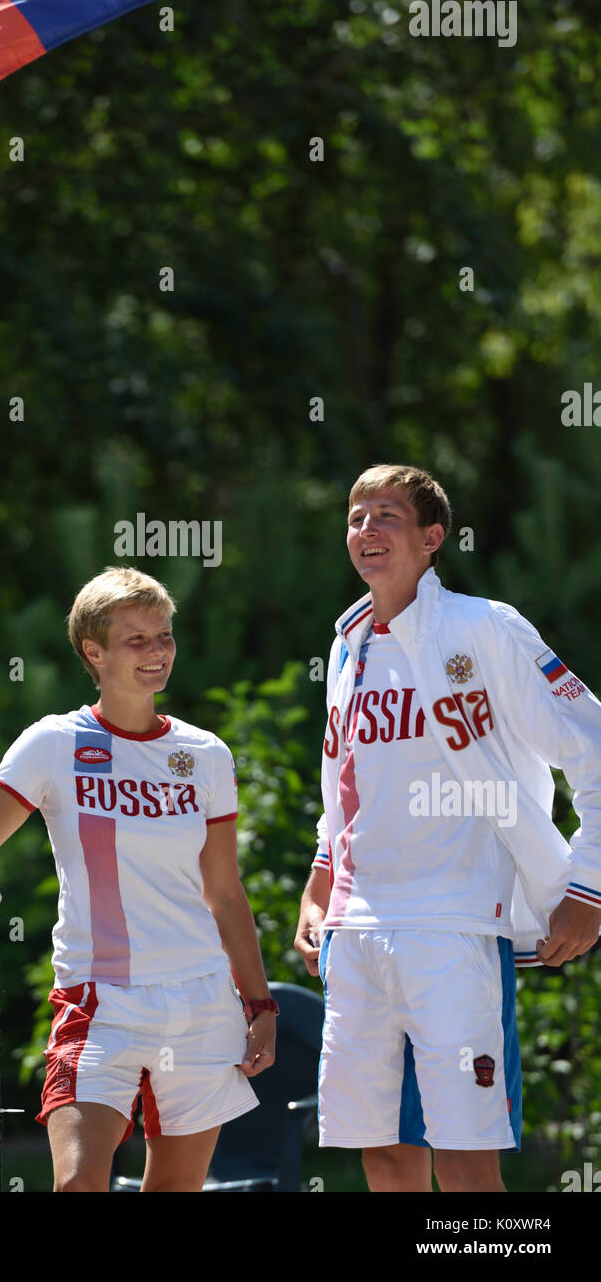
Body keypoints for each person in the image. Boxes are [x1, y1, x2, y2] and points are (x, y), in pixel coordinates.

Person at [0, 566, 277, 1192]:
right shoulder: (53, 741)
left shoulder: (205, 754)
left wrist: (260, 1005)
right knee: (77, 1184)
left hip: (203, 1003)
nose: (156, 653)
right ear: (92, 652)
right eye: (136, 640)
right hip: (100, 1001)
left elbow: (226, 892)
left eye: (164, 636)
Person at [293, 464, 601, 1193]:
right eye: (356, 516)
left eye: (387, 516)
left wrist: (587, 888)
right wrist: (321, 883)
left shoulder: (485, 627)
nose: (367, 529)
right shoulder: (346, 645)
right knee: (384, 1154)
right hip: (358, 930)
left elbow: (593, 749)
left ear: (433, 538)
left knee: (466, 1160)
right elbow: (345, 782)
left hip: (456, 926)